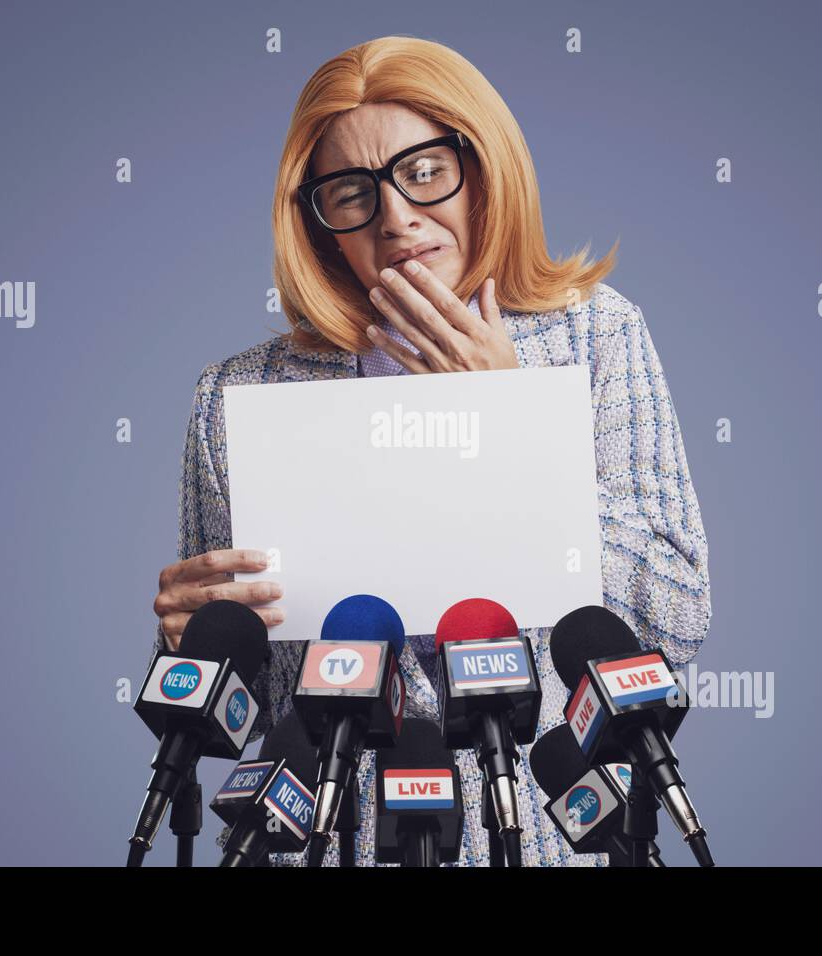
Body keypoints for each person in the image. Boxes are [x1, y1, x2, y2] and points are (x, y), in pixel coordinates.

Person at [150, 35, 711, 866]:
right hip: (329, 842)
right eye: (352, 192)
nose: (396, 217)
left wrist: (509, 422)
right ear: (318, 221)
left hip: (550, 840)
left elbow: (675, 611)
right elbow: (257, 702)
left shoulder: (596, 336)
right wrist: (190, 641)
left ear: (481, 167)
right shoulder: (238, 397)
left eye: (422, 171)